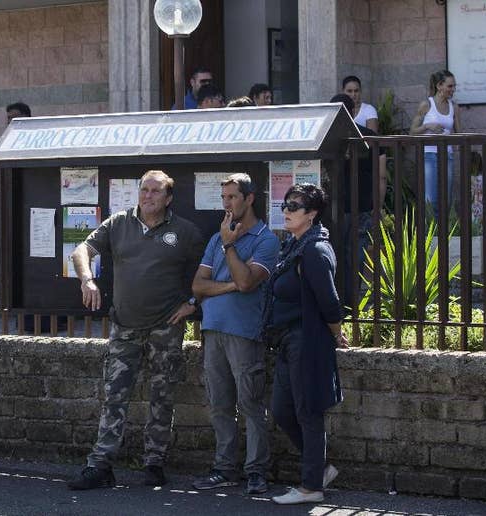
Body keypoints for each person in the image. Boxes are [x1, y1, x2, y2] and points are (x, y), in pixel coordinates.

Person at [67, 170, 204, 490]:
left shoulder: (185, 232)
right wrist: (87, 278)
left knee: (162, 397)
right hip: (125, 326)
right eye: (144, 190)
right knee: (114, 396)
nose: (148, 196)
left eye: (156, 192)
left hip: (165, 329)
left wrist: (193, 302)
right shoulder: (118, 223)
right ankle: (100, 464)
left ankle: (154, 462)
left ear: (168, 198)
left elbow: (206, 271)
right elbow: (81, 250)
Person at [190, 174, 279, 495]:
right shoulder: (216, 238)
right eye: (224, 197)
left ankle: (256, 471)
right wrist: (227, 284)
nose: (226, 204)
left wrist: (229, 245)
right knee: (220, 404)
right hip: (212, 330)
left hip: (245, 332)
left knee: (251, 403)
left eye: (232, 197)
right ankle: (224, 468)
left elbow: (246, 282)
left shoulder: (265, 239)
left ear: (249, 198)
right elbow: (198, 286)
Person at [263, 183, 345, 505]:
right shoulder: (294, 245)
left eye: (294, 207)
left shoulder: (314, 250)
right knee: (283, 411)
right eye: (285, 205)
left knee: (307, 412)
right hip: (287, 340)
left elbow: (330, 301)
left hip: (306, 340)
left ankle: (312, 487)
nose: (286, 211)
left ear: (311, 214)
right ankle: (319, 469)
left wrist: (336, 332)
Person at [330, 93, 387, 309]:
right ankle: (352, 305)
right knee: (356, 255)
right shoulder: (370, 138)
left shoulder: (327, 138)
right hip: (363, 206)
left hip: (333, 209)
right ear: (353, 110)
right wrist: (378, 207)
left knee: (333, 254)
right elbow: (381, 176)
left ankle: (336, 301)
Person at [410, 69, 461, 216]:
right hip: (429, 154)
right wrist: (427, 126)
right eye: (450, 86)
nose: (453, 90)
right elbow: (412, 131)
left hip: (448, 154)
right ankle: (430, 235)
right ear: (439, 86)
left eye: (454, 86)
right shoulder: (426, 105)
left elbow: (459, 133)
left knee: (447, 198)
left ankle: (444, 234)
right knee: (430, 198)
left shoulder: (454, 107)